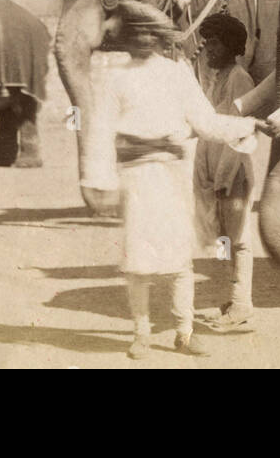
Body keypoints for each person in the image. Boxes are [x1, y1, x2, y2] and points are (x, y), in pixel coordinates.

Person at [81, 18, 264, 359]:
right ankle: (141, 333)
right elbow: (101, 129)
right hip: (135, 175)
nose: (144, 39)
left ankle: (184, 332)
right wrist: (95, 179)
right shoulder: (115, 77)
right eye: (137, 32)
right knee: (138, 258)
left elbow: (206, 122)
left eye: (151, 32)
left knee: (180, 256)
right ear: (127, 36)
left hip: (173, 173)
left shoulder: (177, 72)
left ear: (160, 37)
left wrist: (248, 124)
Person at [192, 13, 258, 328]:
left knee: (239, 238)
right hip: (217, 175)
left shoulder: (239, 79)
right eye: (206, 43)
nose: (208, 50)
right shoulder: (216, 79)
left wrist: (222, 178)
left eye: (215, 43)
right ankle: (234, 299)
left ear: (231, 45)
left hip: (234, 174)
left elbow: (240, 134)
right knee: (224, 239)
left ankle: (243, 304)